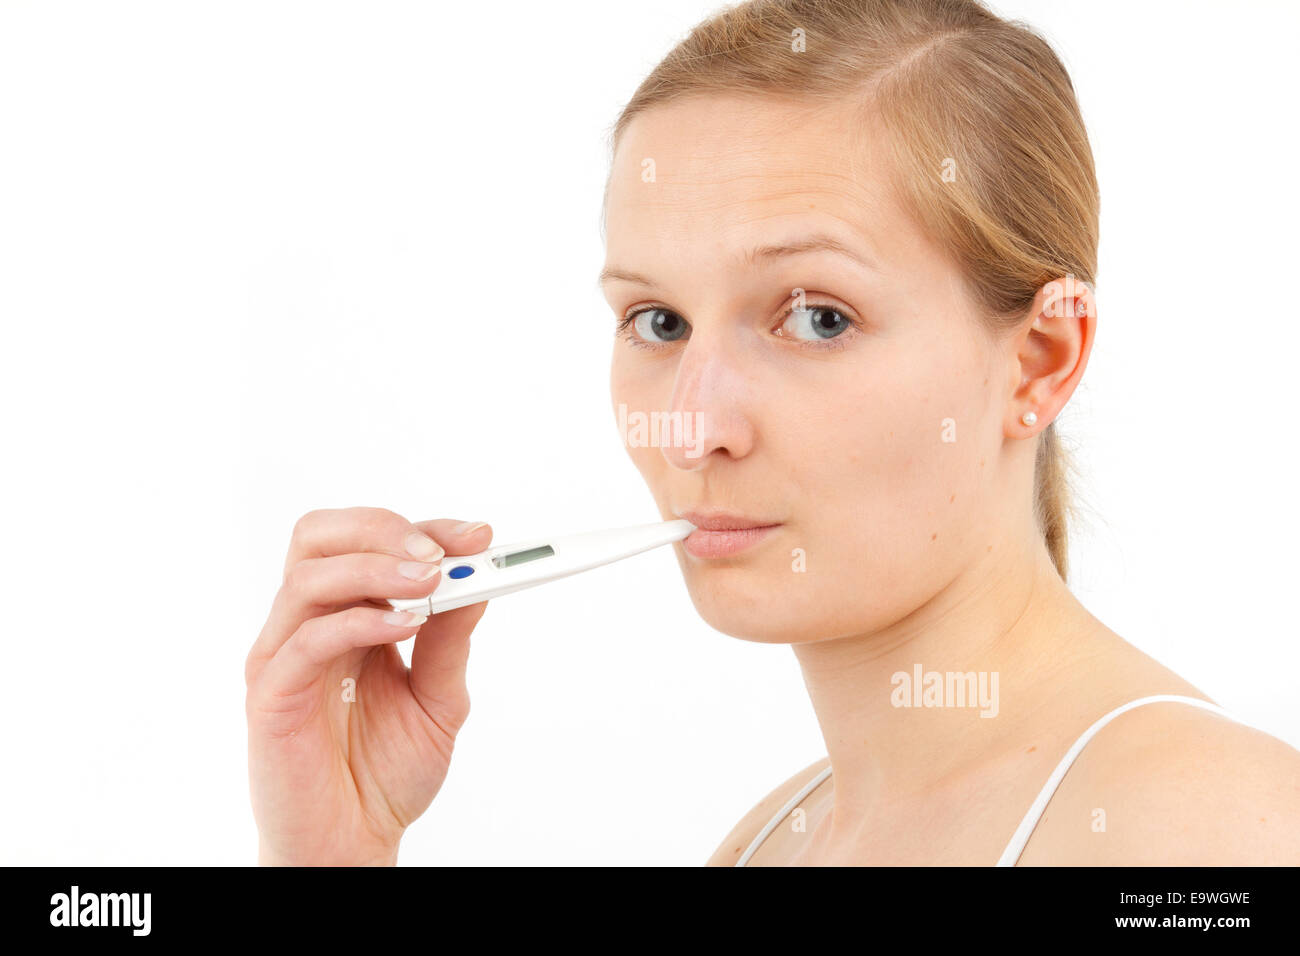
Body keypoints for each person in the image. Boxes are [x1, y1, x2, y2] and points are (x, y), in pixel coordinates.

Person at [245, 0, 1300, 865]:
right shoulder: (765, 845)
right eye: (657, 321)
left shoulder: (1216, 834)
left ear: (1039, 361)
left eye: (818, 316)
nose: (692, 425)